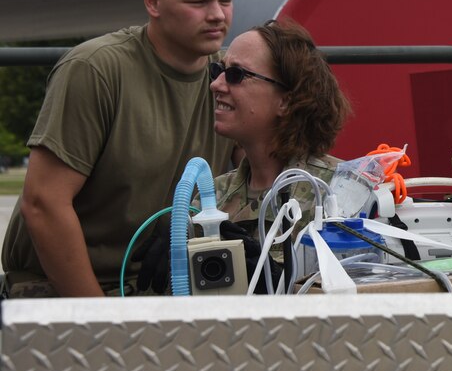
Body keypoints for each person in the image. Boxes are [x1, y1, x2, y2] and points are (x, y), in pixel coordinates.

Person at [2, 0, 237, 298]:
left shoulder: (231, 75)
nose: (218, 14)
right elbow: (44, 202)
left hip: (175, 282)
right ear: (153, 2)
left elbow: (260, 180)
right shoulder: (96, 69)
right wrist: (104, 319)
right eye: (199, 1)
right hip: (68, 287)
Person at [136, 19, 352, 295]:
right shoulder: (210, 197)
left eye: (236, 74)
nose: (216, 84)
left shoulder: (340, 192)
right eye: (218, 70)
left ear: (287, 99)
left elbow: (367, 299)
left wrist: (283, 284)